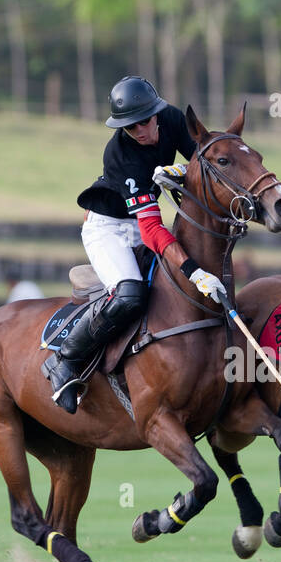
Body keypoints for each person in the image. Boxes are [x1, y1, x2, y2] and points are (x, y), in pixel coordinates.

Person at [43, 76, 226, 412]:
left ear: (156, 113)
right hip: (109, 228)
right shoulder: (121, 155)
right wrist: (193, 271)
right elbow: (153, 231)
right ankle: (65, 360)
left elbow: (208, 164)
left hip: (142, 221)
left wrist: (184, 169)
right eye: (130, 127)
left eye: (144, 121)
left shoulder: (171, 118)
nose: (140, 131)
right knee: (130, 294)